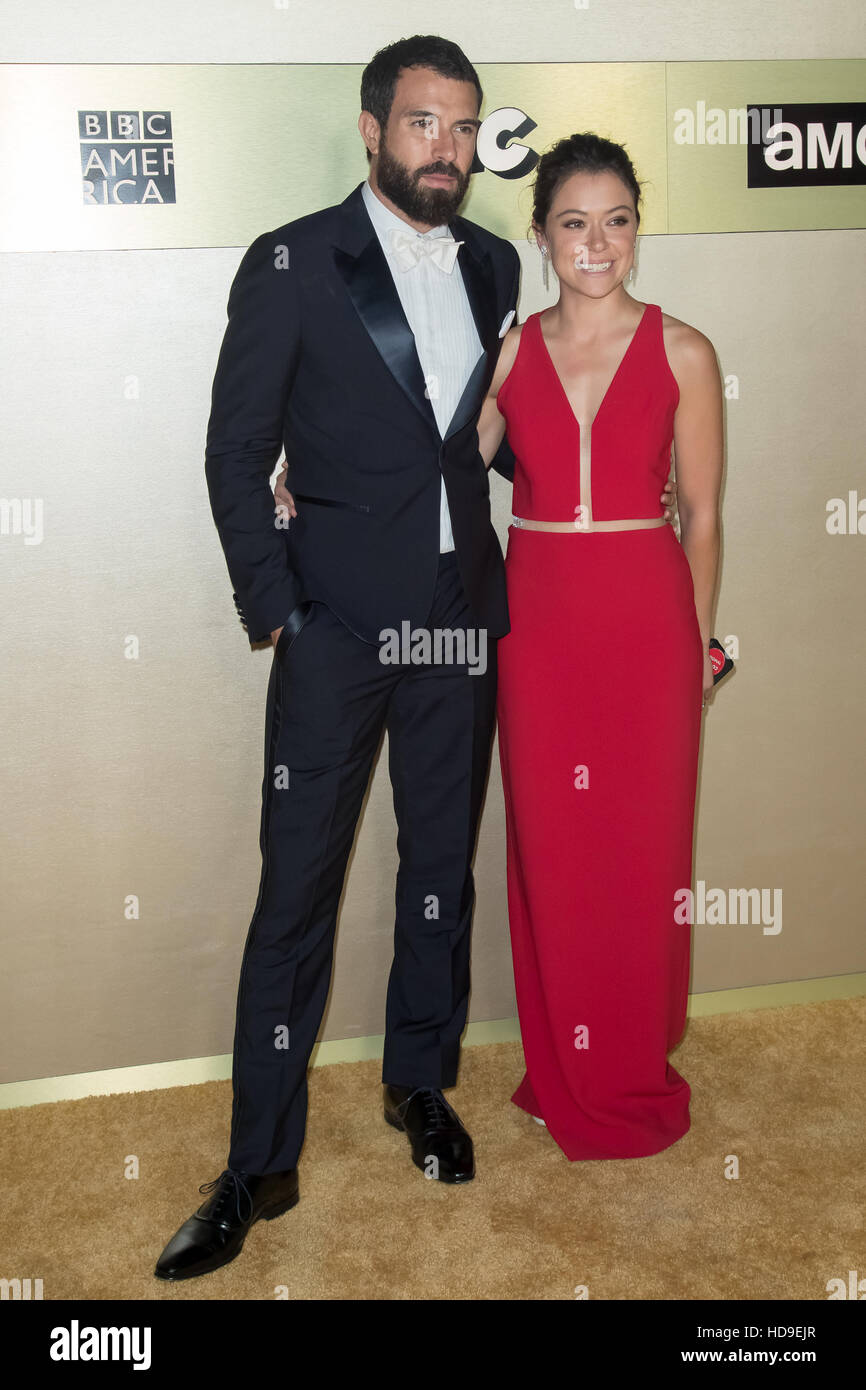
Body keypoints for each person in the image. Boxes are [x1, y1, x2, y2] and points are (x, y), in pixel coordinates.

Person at [155, 48, 675, 1282]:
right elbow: (235, 452)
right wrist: (278, 610)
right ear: (372, 130)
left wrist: (602, 496)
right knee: (297, 896)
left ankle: (418, 1085)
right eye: (420, 124)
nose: (441, 147)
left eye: (459, 129)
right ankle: (255, 1162)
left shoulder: (499, 262)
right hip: (336, 627)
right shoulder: (290, 261)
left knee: (436, 870)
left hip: (459, 623)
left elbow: (487, 439)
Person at [475, 133, 723, 1161]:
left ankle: (626, 1062)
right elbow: (434, 471)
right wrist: (308, 483)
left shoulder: (683, 352)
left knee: (641, 851)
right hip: (536, 630)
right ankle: (568, 1063)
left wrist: (697, 655)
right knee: (554, 853)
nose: (596, 241)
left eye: (615, 220)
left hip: (646, 629)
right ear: (540, 235)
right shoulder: (510, 350)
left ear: (634, 229)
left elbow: (702, 518)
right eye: (572, 222)